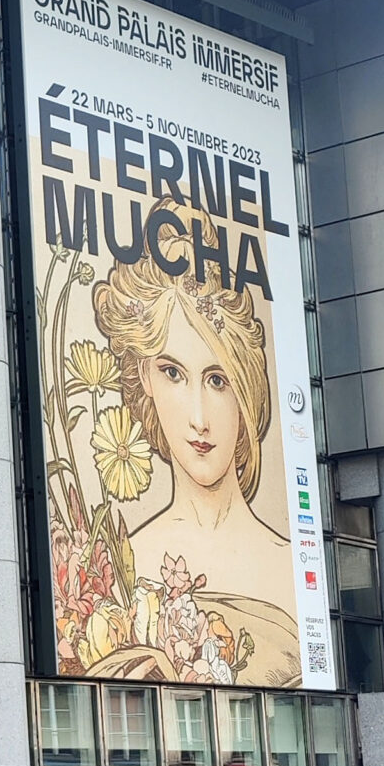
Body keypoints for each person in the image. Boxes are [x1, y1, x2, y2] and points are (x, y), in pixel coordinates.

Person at [91, 217, 301, 685]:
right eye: (173, 373)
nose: (199, 418)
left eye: (217, 379)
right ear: (144, 376)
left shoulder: (293, 563)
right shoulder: (125, 566)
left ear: (245, 390)